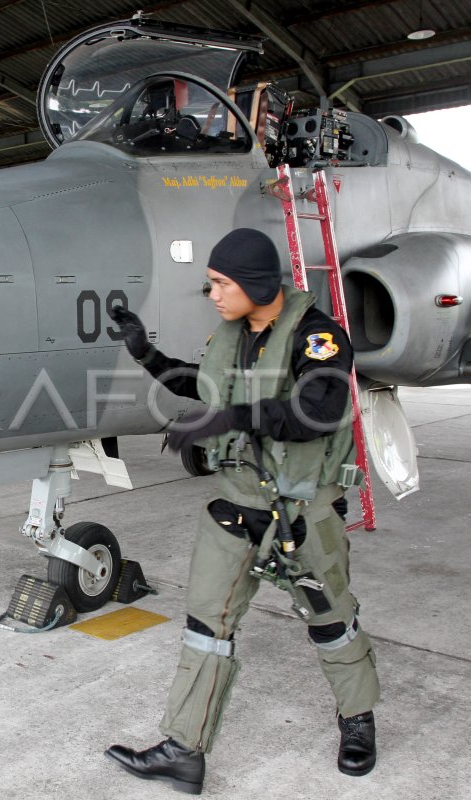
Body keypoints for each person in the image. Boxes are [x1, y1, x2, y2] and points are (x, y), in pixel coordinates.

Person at [103, 227, 380, 794]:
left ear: (254, 282)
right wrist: (143, 351)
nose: (213, 295)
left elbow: (317, 410)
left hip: (302, 513)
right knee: (208, 624)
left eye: (220, 284)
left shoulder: (319, 337)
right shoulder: (231, 336)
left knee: (331, 622)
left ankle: (357, 719)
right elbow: (204, 387)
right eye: (210, 284)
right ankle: (183, 749)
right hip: (237, 505)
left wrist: (226, 421)